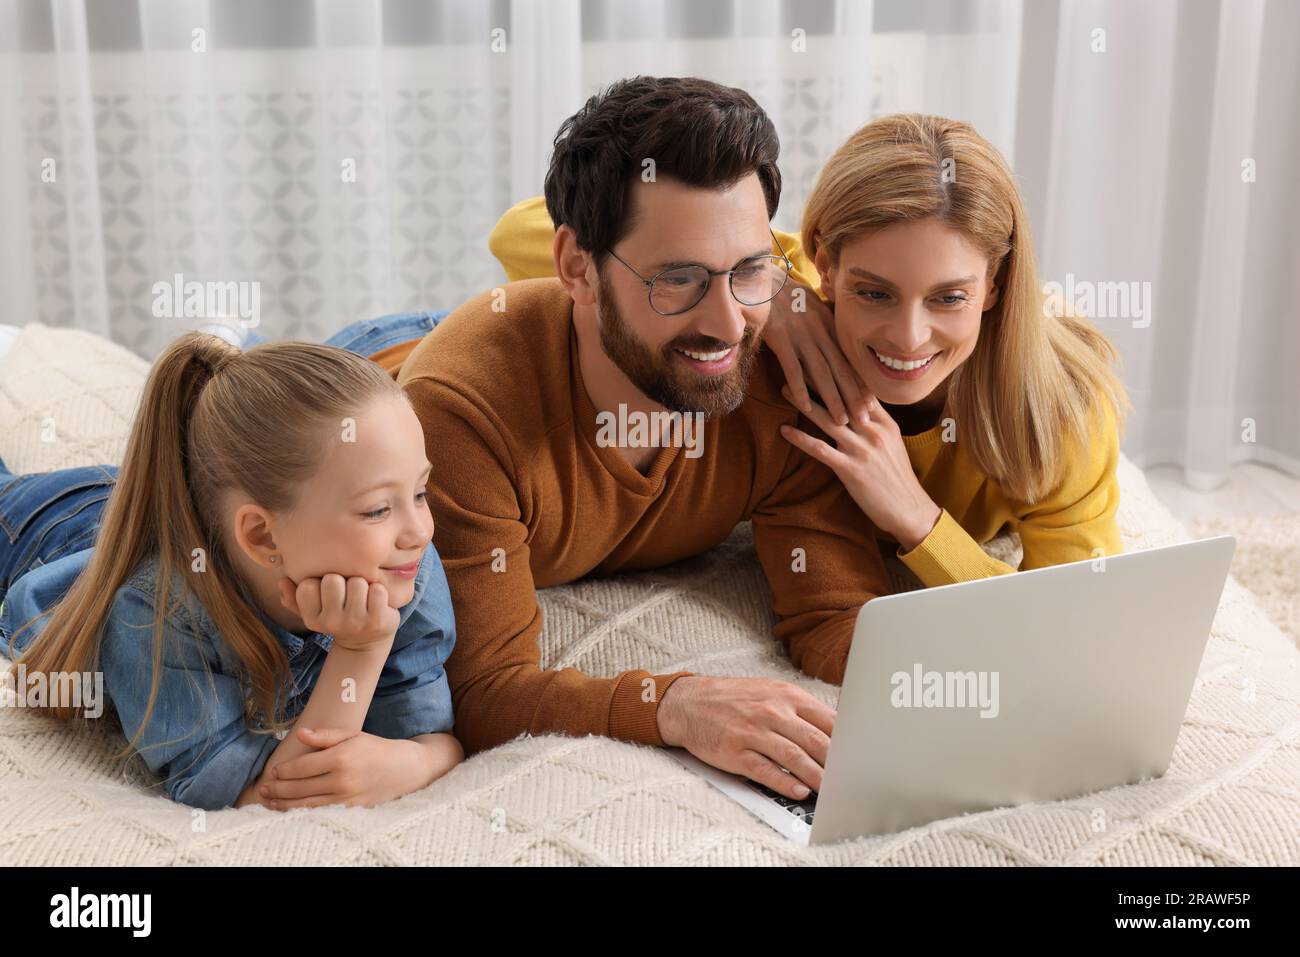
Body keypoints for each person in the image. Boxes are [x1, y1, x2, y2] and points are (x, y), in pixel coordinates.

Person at [370, 76, 895, 803]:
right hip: (385, 363)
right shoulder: (458, 418)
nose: (727, 322)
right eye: (677, 279)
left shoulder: (781, 374)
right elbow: (487, 691)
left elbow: (832, 617)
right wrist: (673, 704)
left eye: (748, 269)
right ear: (577, 267)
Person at [492, 112, 1130, 593]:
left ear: (996, 282)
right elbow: (515, 233)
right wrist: (779, 293)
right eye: (874, 293)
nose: (908, 337)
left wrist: (918, 521)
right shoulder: (763, 283)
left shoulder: (1063, 406)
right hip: (464, 337)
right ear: (825, 259)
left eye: (948, 298)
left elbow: (1068, 619)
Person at [0, 316, 463, 811]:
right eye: (377, 510)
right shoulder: (160, 613)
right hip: (51, 530)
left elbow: (428, 734)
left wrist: (422, 760)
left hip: (190, 512)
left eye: (419, 492)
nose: (420, 531)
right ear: (263, 536)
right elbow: (260, 795)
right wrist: (361, 649)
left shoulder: (405, 568)